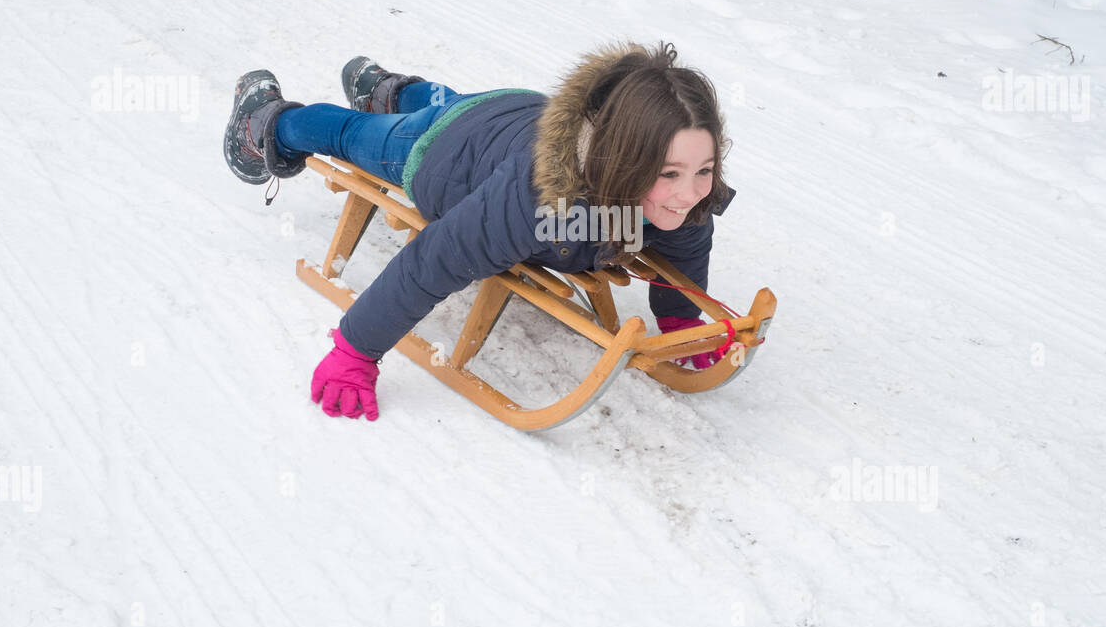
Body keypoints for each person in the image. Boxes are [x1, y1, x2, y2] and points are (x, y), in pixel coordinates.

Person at [222, 40, 735, 421]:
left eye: (704, 171)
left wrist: (680, 317)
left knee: (446, 101)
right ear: (620, 157)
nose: (689, 194)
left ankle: (387, 89)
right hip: (443, 149)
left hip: (510, 111)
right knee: (358, 135)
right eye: (668, 174)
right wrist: (355, 351)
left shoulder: (685, 191)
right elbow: (432, 263)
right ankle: (268, 121)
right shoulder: (535, 201)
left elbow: (689, 242)